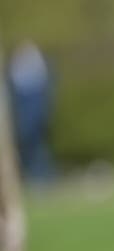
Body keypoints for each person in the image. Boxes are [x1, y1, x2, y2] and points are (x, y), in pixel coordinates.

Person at [7, 40, 54, 184]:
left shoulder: (36, 68)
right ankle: (32, 177)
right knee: (27, 147)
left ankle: (41, 177)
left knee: (36, 147)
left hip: (33, 118)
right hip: (25, 117)